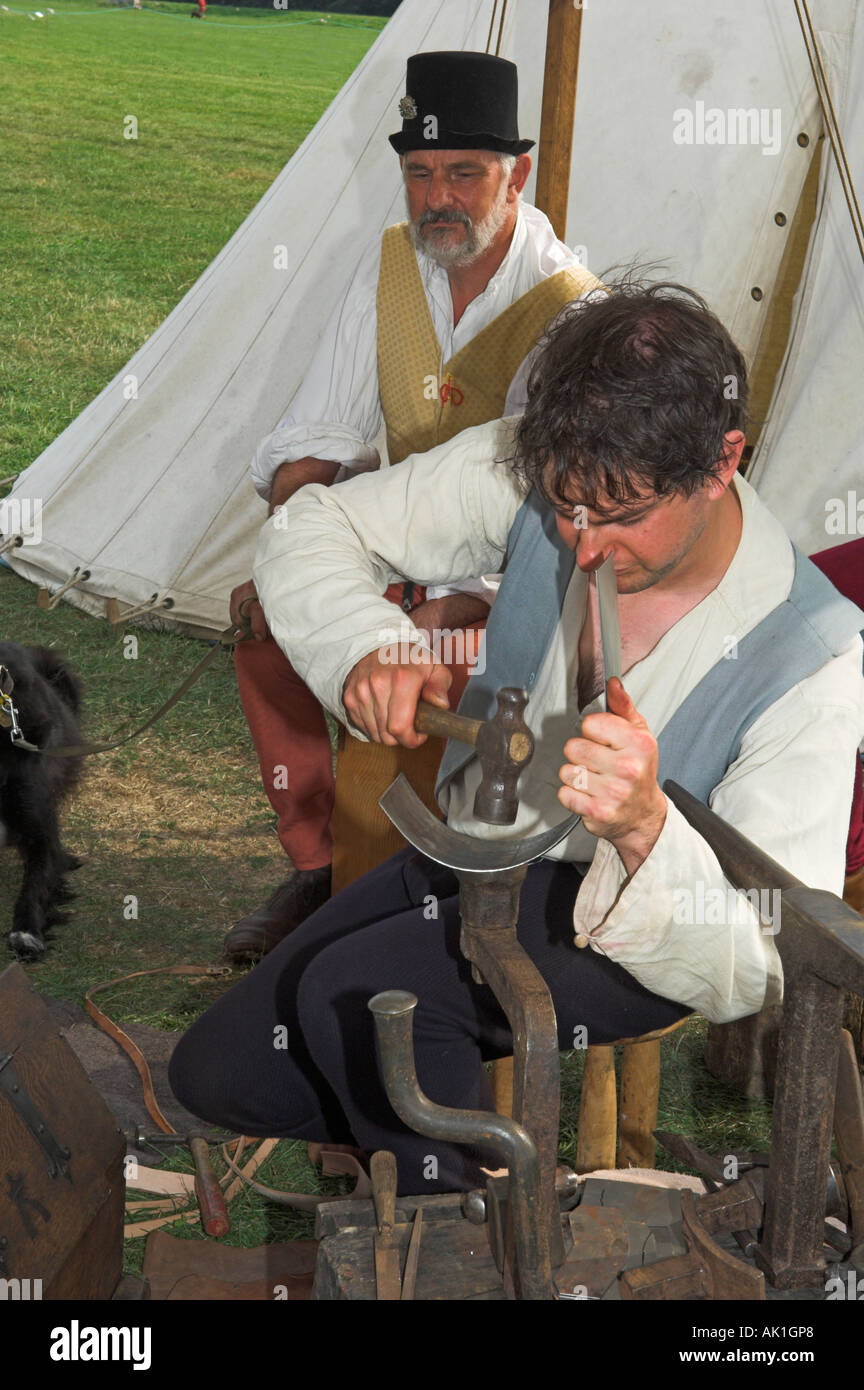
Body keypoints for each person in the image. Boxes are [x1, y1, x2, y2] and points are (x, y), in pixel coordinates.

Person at [169, 280, 864, 1196]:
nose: (582, 544)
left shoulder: (809, 656)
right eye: (566, 507)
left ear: (723, 460)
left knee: (386, 1001)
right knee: (219, 1074)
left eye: (620, 516)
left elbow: (762, 958)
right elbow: (317, 524)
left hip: (625, 924)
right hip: (481, 849)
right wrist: (368, 646)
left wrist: (644, 827)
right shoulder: (549, 460)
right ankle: (488, 1168)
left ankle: (467, 1230)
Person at [224, 50, 600, 961]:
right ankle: (321, 863)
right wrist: (296, 540)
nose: (439, 196)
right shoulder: (391, 265)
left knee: (436, 664)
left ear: (514, 176)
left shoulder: (572, 308)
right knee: (264, 623)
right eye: (420, 173)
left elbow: (556, 508)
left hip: (515, 582)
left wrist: (456, 597)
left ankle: (418, 883)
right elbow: (319, 432)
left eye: (465, 174)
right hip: (391, 549)